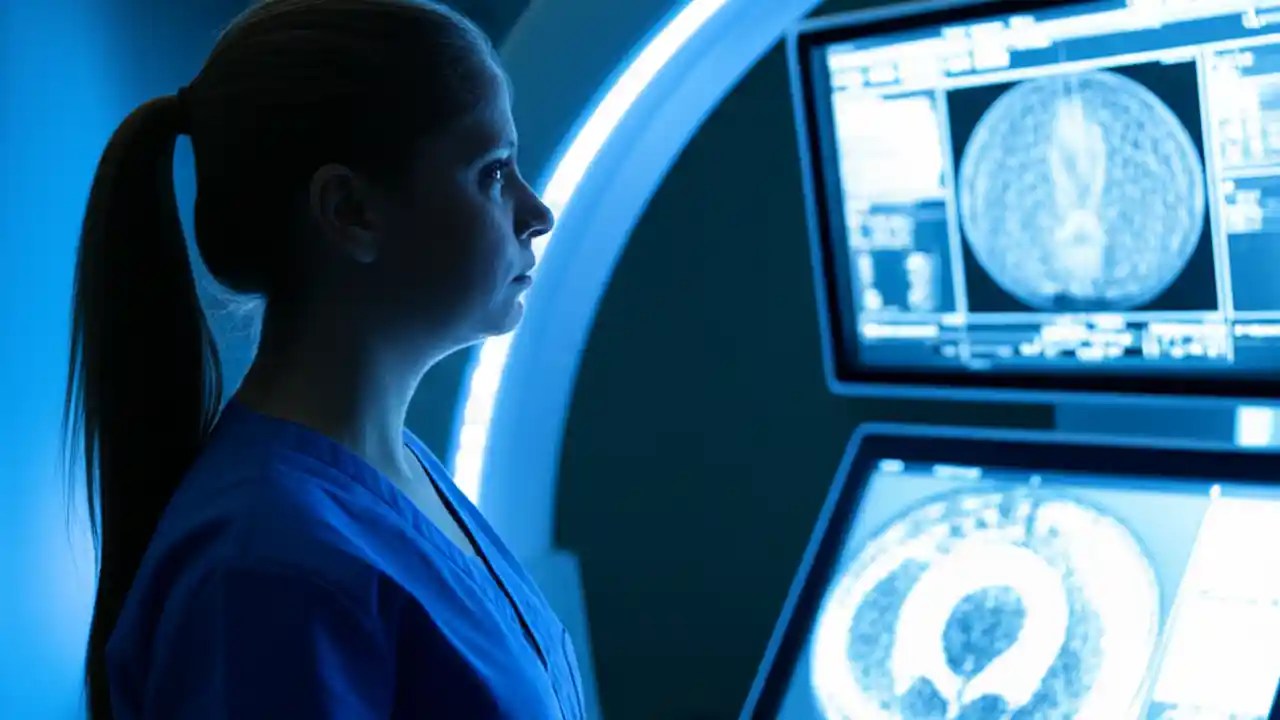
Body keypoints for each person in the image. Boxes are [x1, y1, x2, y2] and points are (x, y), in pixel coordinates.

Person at [62, 1, 581, 717]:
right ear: (350, 211)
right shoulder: (267, 565)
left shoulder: (394, 477)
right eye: (493, 172)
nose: (538, 212)